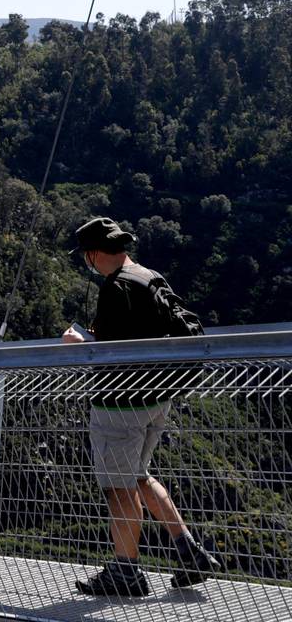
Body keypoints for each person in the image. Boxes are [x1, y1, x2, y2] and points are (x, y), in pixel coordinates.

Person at [65, 217, 220, 597]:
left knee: (118, 487)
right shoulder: (149, 277)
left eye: (87, 255)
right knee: (138, 475)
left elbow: (107, 354)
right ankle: (190, 552)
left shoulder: (116, 289)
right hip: (157, 398)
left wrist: (78, 342)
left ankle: (126, 572)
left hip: (121, 403)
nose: (87, 261)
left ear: (95, 254)